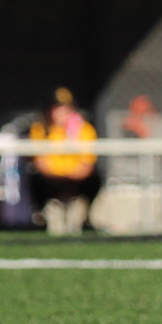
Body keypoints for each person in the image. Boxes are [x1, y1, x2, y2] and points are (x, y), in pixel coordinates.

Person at [29, 89, 100, 234]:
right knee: (35, 178)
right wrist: (59, 175)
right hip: (51, 178)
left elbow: (87, 165)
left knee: (96, 179)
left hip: (77, 178)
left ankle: (85, 217)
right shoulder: (41, 129)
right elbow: (41, 164)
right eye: (57, 108)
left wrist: (71, 175)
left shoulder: (83, 129)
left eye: (65, 108)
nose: (61, 113)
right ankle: (41, 217)